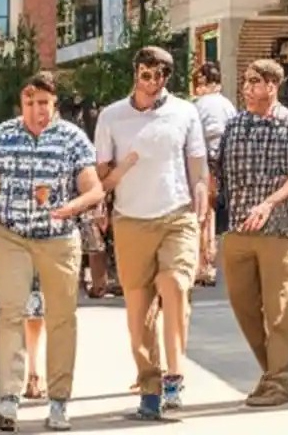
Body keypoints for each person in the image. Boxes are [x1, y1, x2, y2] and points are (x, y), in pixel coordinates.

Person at [0, 72, 105, 432]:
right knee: (10, 314)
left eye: (43, 103)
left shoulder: (72, 138)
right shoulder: (1, 136)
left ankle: (59, 401)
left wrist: (72, 207)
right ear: (21, 103)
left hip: (58, 237)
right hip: (12, 235)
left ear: (54, 104)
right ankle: (8, 400)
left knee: (62, 317)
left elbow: (94, 190)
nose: (36, 110)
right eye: (30, 103)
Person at [94, 47, 208, 419]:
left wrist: (202, 209)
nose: (153, 83)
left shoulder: (185, 112)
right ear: (136, 73)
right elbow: (102, 172)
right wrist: (100, 207)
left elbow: (198, 167)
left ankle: (175, 376)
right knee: (138, 310)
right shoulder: (112, 116)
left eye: (160, 76)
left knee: (175, 285)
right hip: (130, 219)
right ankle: (149, 385)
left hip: (177, 215)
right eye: (147, 74)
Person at [215, 59, 288, 407]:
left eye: (254, 82)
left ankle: (279, 382)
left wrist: (269, 203)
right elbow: (218, 174)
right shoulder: (234, 125)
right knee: (244, 308)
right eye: (245, 81)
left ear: (272, 86)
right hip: (238, 230)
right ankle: (272, 373)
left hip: (278, 231)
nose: (246, 88)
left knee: (278, 309)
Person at [191, 61, 236, 286]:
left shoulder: (196, 106)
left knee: (202, 213)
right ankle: (210, 261)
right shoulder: (228, 105)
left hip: (202, 162)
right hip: (225, 162)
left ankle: (203, 263)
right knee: (212, 213)